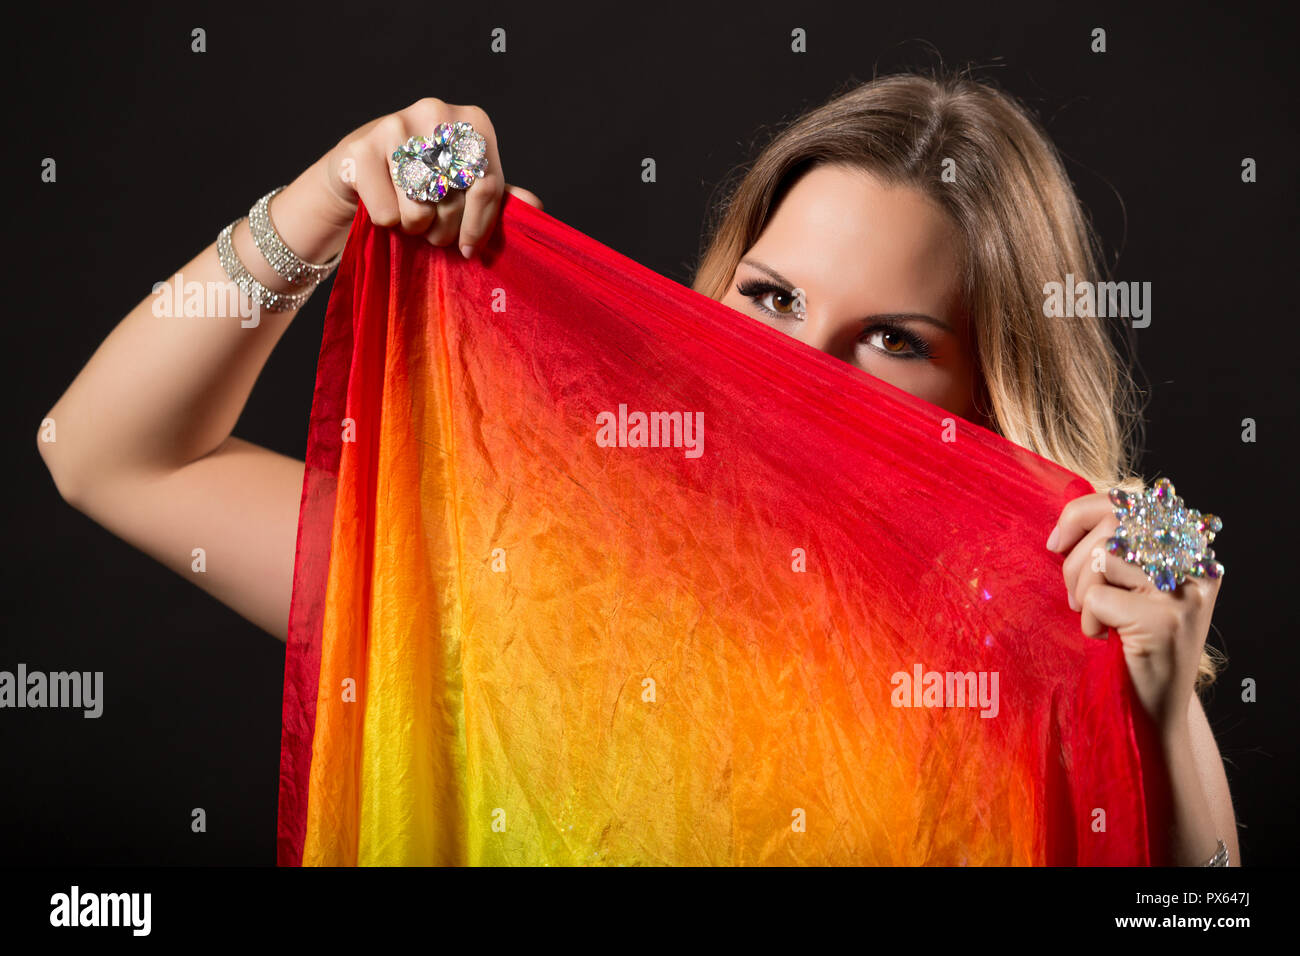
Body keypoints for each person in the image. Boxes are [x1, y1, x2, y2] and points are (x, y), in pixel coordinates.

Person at [35, 69, 1238, 866]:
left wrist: (1165, 710)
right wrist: (315, 204)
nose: (802, 371)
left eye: (892, 340)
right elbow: (105, 455)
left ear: (985, 391)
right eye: (770, 299)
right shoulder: (536, 585)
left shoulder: (1055, 674)